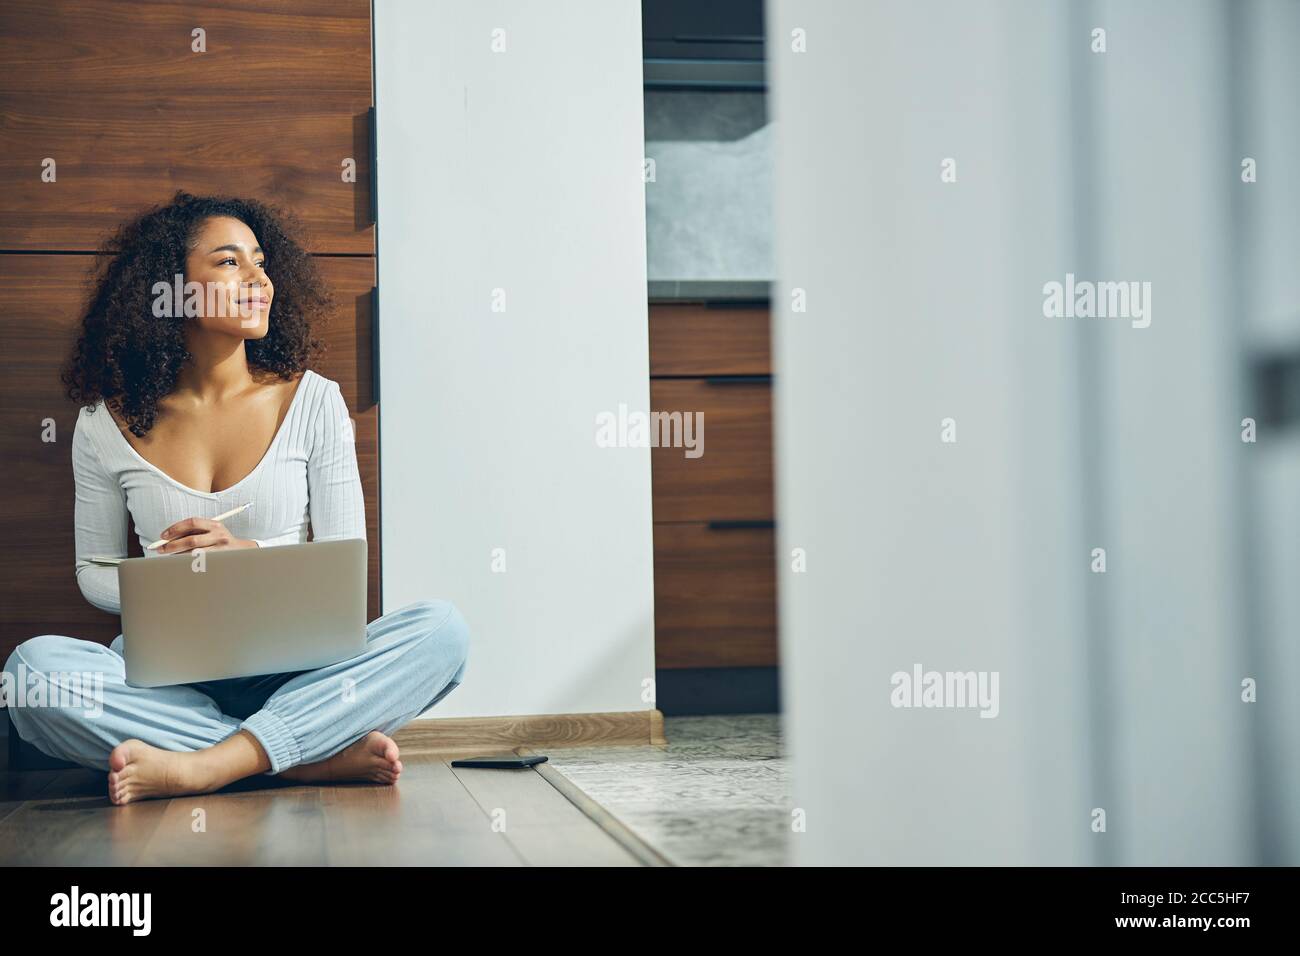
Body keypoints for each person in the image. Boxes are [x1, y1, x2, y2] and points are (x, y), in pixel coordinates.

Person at [4, 192, 469, 805]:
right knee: (31, 673)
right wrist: (170, 581)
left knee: (443, 631)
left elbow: (343, 566)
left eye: (261, 261)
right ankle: (294, 757)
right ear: (172, 290)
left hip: (303, 675)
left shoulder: (315, 402)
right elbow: (92, 570)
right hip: (168, 678)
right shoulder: (102, 424)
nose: (259, 280)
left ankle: (204, 764)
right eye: (229, 262)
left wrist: (246, 558)